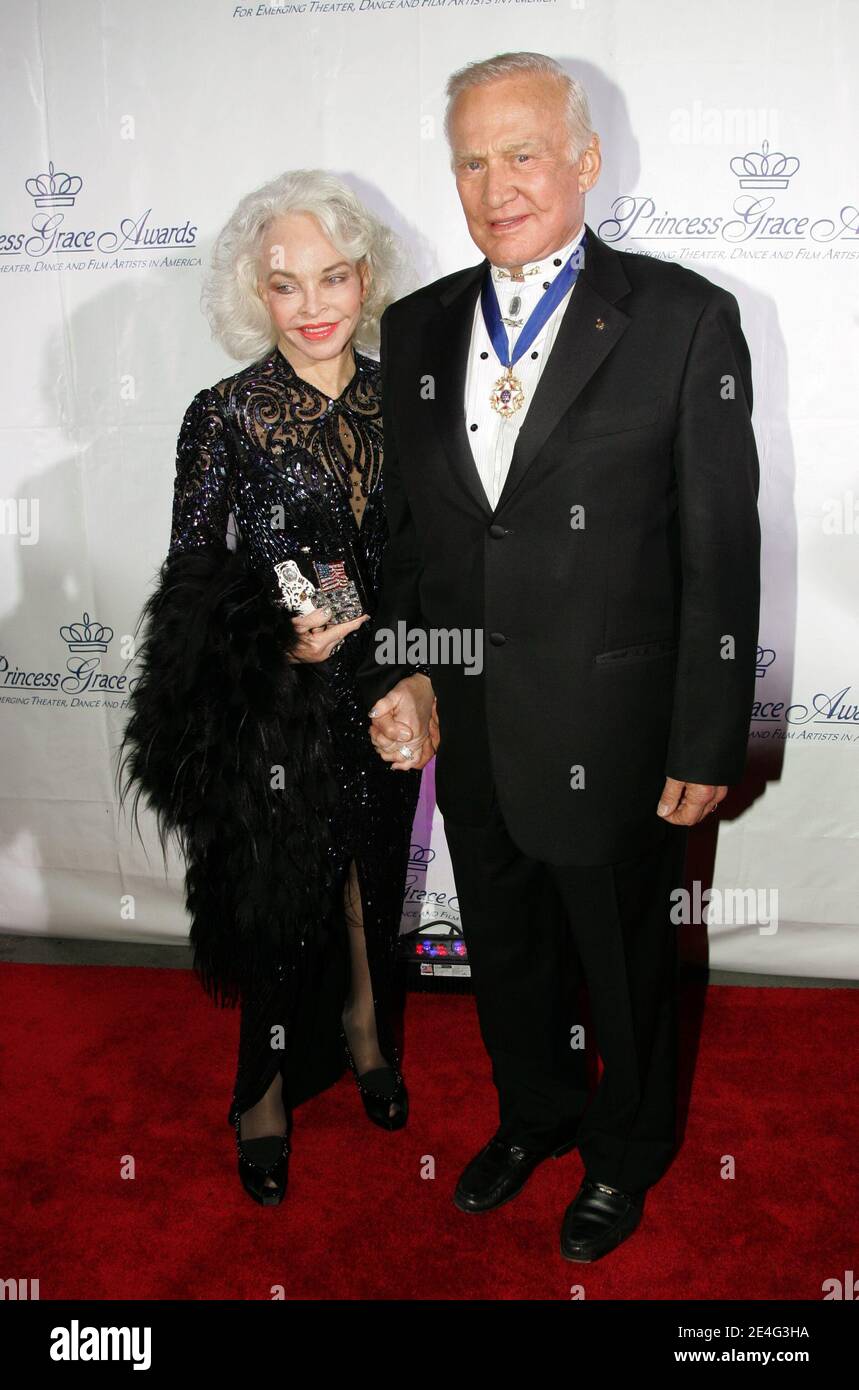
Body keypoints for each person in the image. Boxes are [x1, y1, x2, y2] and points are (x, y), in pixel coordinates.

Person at [359, 52, 761, 1262]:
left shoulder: (683, 319)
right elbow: (417, 542)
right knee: (508, 946)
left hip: (616, 727)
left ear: (586, 163)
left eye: (522, 151)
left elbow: (718, 548)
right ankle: (534, 1111)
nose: (496, 183)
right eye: (471, 159)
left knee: (624, 962)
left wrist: (704, 732)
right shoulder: (417, 323)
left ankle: (626, 1152)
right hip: (472, 729)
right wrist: (415, 669)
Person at [119, 169, 424, 1207]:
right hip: (280, 708)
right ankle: (260, 1092)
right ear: (256, 295)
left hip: (385, 692)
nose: (312, 305)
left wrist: (420, 672)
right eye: (285, 285)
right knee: (282, 899)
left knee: (371, 882)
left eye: (331, 276)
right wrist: (273, 641)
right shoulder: (225, 415)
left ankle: (367, 1037)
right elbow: (190, 575)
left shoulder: (409, 400)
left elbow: (437, 560)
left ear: (365, 276)